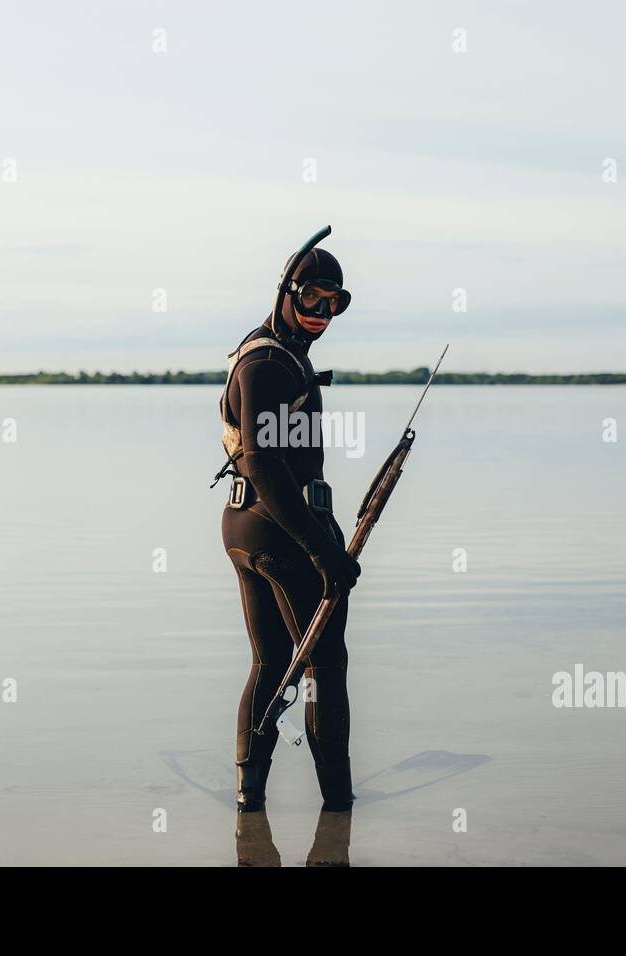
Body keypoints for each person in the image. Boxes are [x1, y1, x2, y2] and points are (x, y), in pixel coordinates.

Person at [218, 238, 360, 815]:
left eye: (335, 304)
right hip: (276, 530)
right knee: (326, 663)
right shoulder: (270, 363)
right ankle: (339, 806)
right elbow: (261, 461)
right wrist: (322, 551)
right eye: (312, 299)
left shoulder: (275, 354)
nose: (321, 314)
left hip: (246, 528)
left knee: (272, 661)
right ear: (285, 292)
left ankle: (250, 800)